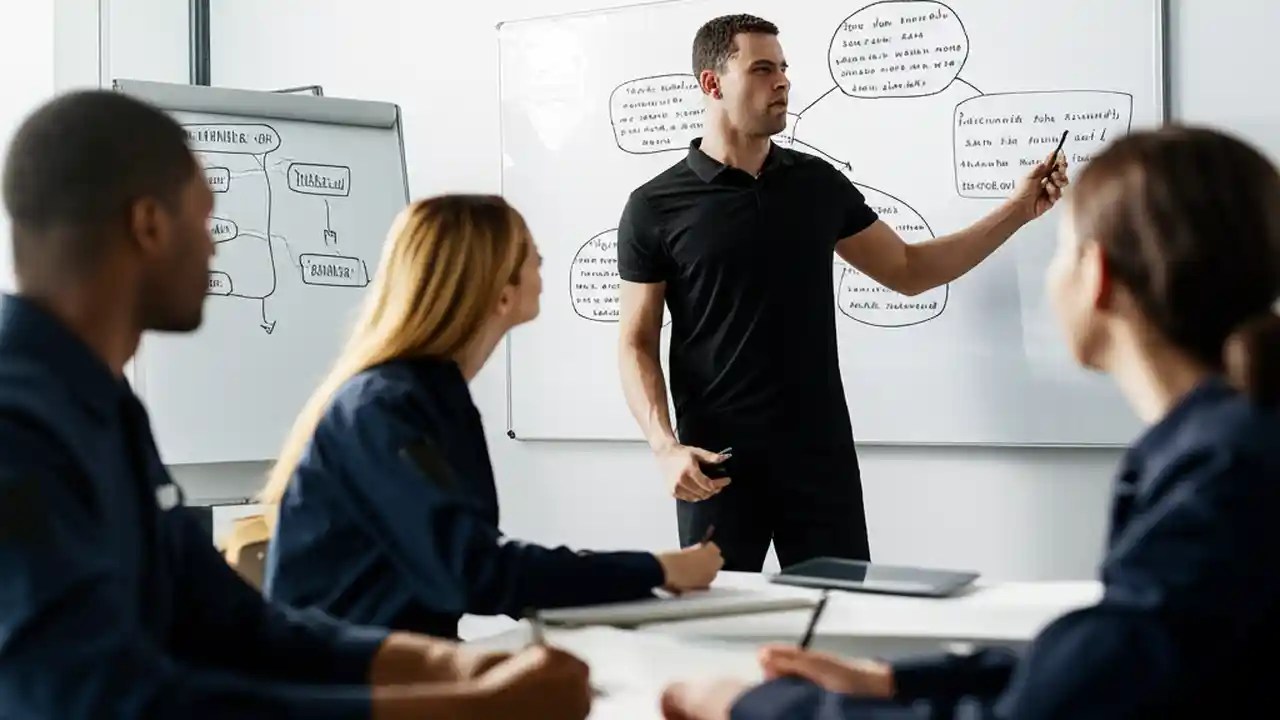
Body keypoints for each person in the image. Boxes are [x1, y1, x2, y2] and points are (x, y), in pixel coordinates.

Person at [0, 89, 594, 720]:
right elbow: (103, 701)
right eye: (205, 221)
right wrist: (462, 706)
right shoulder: (18, 427)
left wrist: (444, 663)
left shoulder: (105, 404)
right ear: (149, 225)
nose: (215, 248)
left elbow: (232, 623)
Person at [657, 125, 1280, 719]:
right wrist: (894, 681)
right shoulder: (1222, 449)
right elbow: (1100, 664)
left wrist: (752, 706)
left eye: (1063, 250)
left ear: (1097, 278)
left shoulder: (1218, 480)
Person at [616, 14, 1069, 571]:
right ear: (712, 84)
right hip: (716, 464)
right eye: (762, 69)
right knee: (717, 626)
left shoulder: (816, 184)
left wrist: (1020, 210)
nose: (782, 81)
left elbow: (908, 269)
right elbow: (636, 341)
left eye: (783, 68)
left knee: (844, 613)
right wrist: (664, 447)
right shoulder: (655, 206)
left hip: (819, 456)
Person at [258, 193, 724, 640]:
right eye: (528, 253)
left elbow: (477, 564)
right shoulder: (384, 408)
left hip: (401, 661)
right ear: (499, 292)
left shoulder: (432, 395)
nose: (541, 261)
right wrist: (660, 568)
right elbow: (476, 571)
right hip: (346, 685)